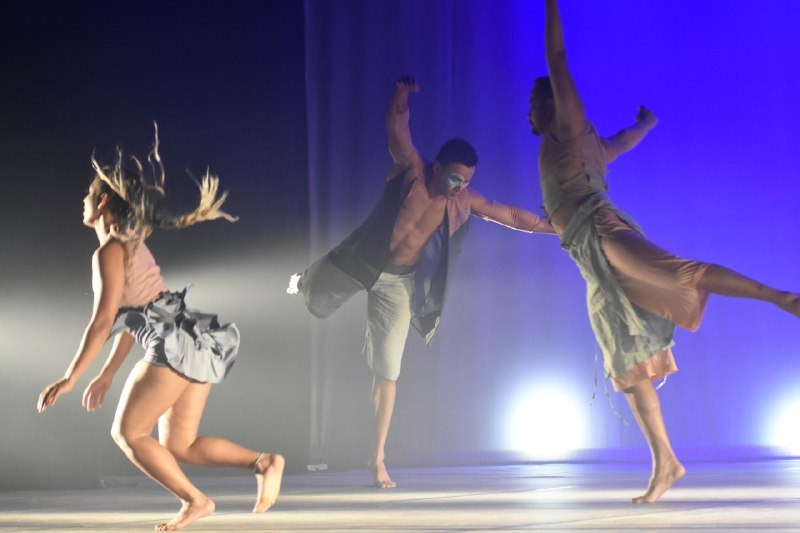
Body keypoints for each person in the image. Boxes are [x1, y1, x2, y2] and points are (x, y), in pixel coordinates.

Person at [529, 0, 800, 504]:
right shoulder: (577, 145)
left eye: (533, 102)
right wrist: (647, 126)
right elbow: (622, 143)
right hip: (590, 261)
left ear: (549, 105)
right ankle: (666, 462)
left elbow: (558, 57)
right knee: (629, 365)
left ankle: (778, 297)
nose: (528, 111)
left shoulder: (568, 123)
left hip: (605, 233)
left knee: (680, 274)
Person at [289, 76, 556, 488]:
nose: (459, 187)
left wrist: (555, 227)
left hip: (397, 283)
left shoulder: (464, 200)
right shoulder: (413, 171)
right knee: (311, 295)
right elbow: (397, 132)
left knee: (388, 371)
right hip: (361, 258)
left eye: (465, 181)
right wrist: (400, 95)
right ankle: (303, 279)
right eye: (454, 179)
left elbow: (513, 216)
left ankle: (376, 458)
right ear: (439, 167)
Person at [37, 126, 285, 531]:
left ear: (101, 202)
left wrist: (69, 378)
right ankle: (263, 462)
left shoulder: (109, 251)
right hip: (192, 340)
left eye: (86, 195)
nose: (81, 202)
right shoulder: (129, 240)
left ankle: (197, 501)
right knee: (178, 445)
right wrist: (107, 373)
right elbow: (134, 318)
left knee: (127, 432)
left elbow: (102, 322)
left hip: (172, 347)